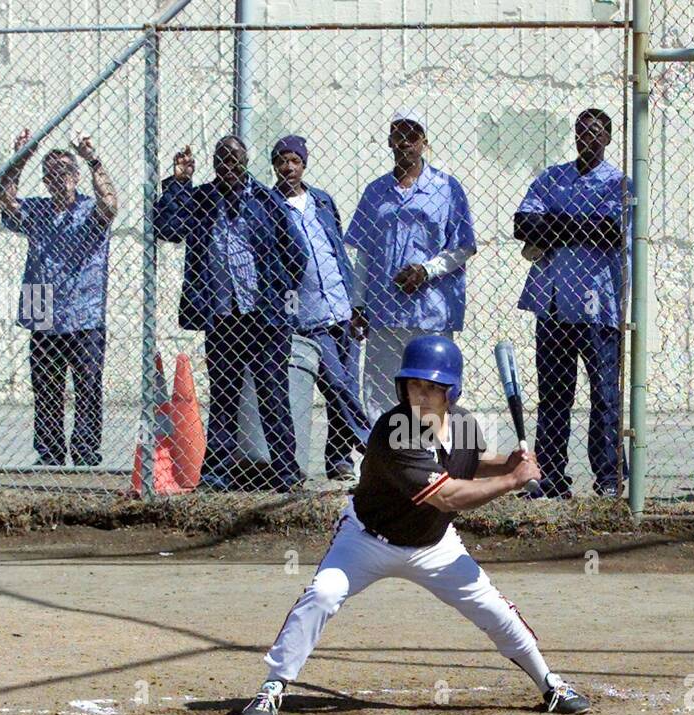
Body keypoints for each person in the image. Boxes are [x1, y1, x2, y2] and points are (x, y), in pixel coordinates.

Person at [239, 335, 590, 715]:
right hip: (368, 539)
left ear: (450, 392)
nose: (420, 396)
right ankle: (273, 685)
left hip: (433, 545)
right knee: (323, 594)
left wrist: (506, 464)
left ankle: (549, 683)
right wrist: (512, 482)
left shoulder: (464, 424)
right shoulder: (395, 430)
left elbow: (467, 464)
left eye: (432, 388)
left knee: (492, 607)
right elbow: (449, 497)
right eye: (414, 385)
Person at [153, 135, 304, 491]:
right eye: (222, 161)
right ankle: (216, 475)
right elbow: (168, 228)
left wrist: (280, 298)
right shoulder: (203, 199)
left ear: (246, 161)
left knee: (272, 395)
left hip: (264, 320)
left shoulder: (266, 201)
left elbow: (296, 255)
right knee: (223, 398)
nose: (228, 168)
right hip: (223, 318)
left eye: (234, 160)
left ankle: (286, 472)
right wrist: (179, 182)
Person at [513, 109, 630, 499]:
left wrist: (555, 224)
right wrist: (579, 225)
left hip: (599, 306)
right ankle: (549, 477)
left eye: (596, 133)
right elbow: (522, 224)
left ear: (609, 137)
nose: (588, 139)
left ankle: (609, 477)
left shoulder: (618, 183)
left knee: (605, 397)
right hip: (553, 305)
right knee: (554, 396)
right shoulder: (552, 177)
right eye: (582, 132)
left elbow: (611, 231)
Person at [346, 110, 476, 425]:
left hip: (430, 311)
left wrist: (426, 270)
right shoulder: (376, 192)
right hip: (385, 309)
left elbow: (462, 245)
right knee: (381, 388)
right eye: (399, 135)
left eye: (412, 136)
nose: (405, 142)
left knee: (430, 387)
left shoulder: (446, 188)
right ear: (390, 141)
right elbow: (363, 252)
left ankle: (430, 457)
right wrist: (359, 304)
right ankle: (384, 458)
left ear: (424, 142)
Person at [0, 130, 117, 467]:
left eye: (65, 170)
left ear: (76, 176)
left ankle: (85, 450)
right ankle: (49, 451)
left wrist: (93, 159)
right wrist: (19, 159)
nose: (58, 178)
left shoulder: (90, 209)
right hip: (41, 305)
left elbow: (111, 204)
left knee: (88, 385)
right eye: (51, 173)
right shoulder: (36, 210)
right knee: (46, 388)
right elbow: (5, 202)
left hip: (84, 309)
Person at [270, 135, 371, 482]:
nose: (289, 167)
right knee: (336, 384)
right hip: (309, 316)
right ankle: (372, 443)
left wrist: (358, 304)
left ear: (304, 164)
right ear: (274, 166)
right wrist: (290, 313)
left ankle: (339, 459)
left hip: (342, 307)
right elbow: (277, 266)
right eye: (282, 161)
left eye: (294, 161)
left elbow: (340, 254)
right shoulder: (271, 206)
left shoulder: (322, 202)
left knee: (345, 389)